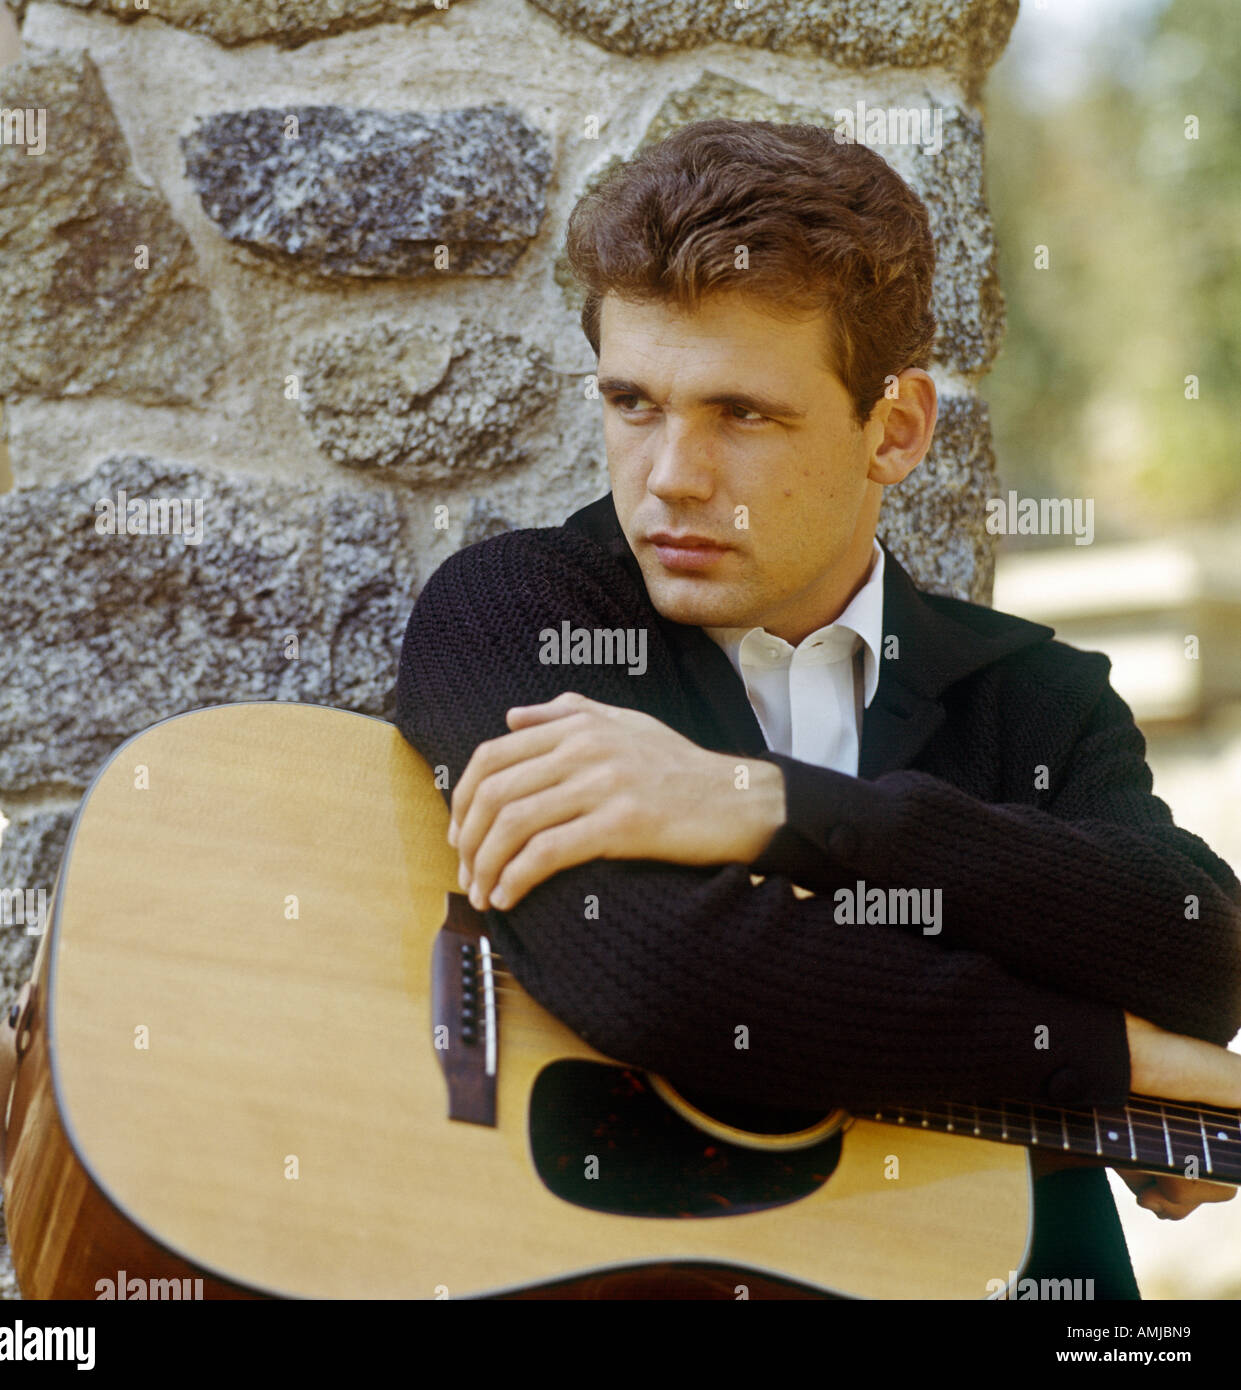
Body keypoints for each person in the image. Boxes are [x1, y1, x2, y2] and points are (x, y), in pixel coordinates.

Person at [392, 118, 1241, 1298]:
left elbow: (1197, 949)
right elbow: (662, 978)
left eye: (742, 414)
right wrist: (1110, 1054)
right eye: (632, 402)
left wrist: (765, 806)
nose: (670, 475)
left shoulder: (1028, 691)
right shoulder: (519, 612)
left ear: (891, 429)